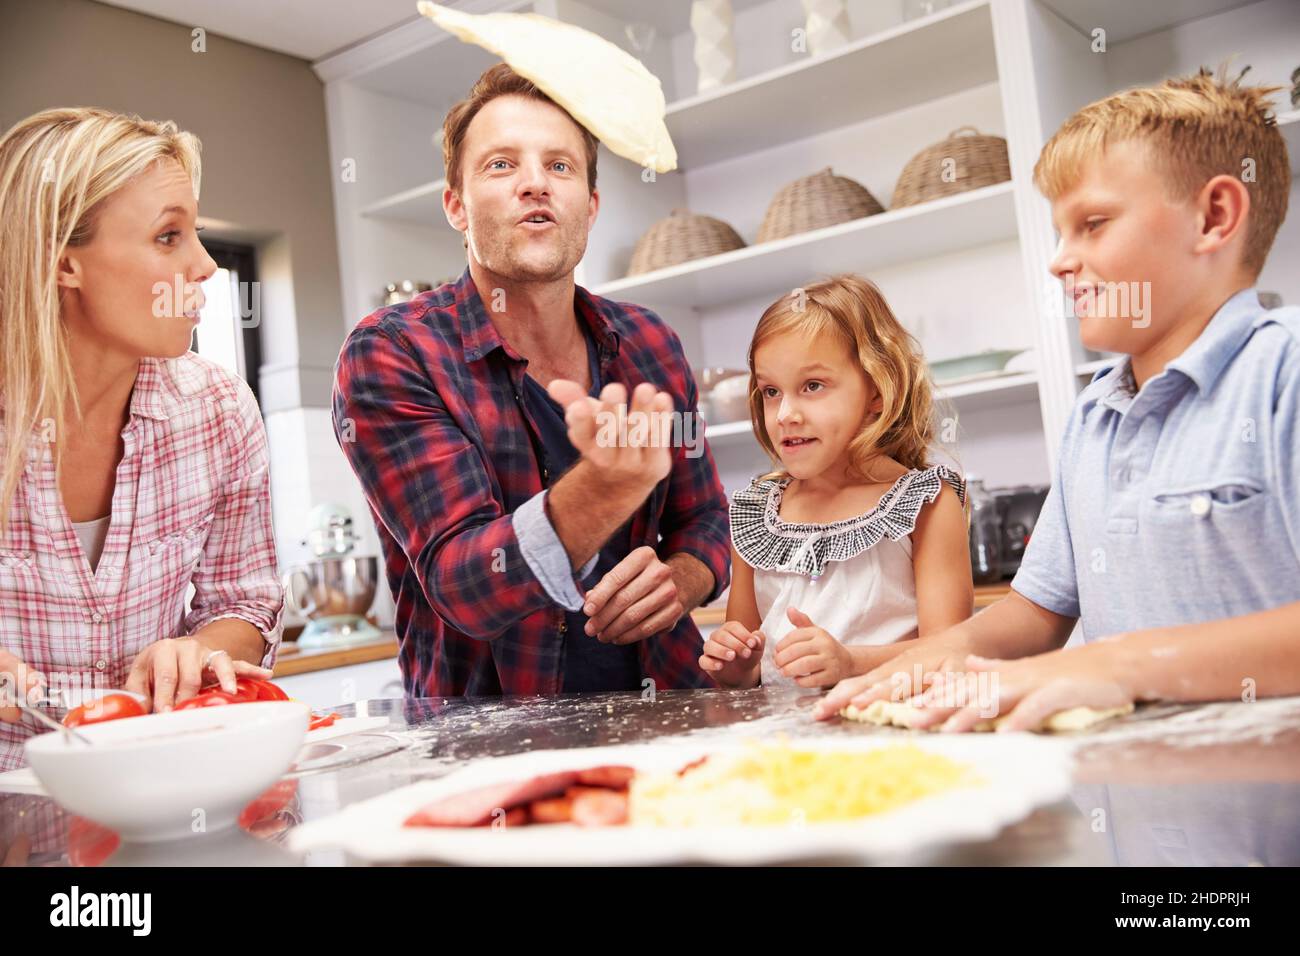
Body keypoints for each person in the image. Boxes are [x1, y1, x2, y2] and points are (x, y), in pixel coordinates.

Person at [816, 68, 1300, 729]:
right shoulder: (1094, 414)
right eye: (1059, 232)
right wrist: (937, 656)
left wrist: (1113, 665)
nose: (1059, 261)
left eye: (1093, 224)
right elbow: (1038, 613)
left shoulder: (1284, 369)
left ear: (1214, 216)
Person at [332, 64, 730, 696]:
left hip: (670, 715)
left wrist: (682, 579)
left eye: (560, 166)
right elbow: (463, 585)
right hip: (490, 754)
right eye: (501, 165)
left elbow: (705, 516)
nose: (535, 185)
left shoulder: (651, 343)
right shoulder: (393, 352)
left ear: (591, 207)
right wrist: (602, 489)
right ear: (456, 206)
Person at [0, 108, 283, 771]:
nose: (205, 266)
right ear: (64, 263)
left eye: (197, 234)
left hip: (157, 800)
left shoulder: (218, 410)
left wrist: (202, 647)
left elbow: (245, 602)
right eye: (168, 237)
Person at [698, 275, 972, 690]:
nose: (786, 413)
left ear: (878, 390)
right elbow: (746, 673)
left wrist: (850, 663)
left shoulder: (927, 502)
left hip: (893, 739)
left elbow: (950, 653)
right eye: (771, 391)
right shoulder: (756, 512)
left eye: (812, 386)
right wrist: (734, 663)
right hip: (787, 747)